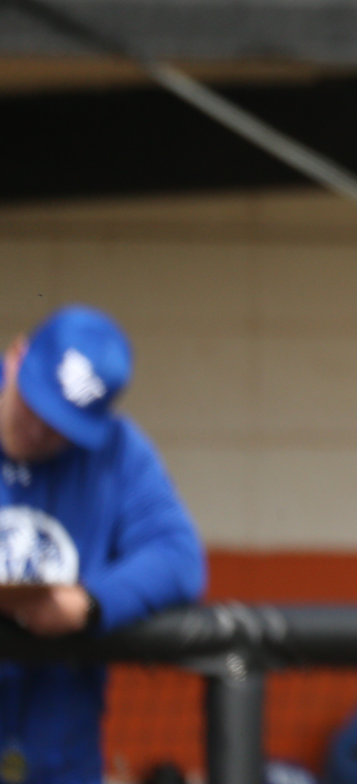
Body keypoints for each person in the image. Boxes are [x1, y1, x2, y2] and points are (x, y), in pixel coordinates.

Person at [0, 305, 206, 784]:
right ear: (16, 356)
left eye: (60, 425)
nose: (38, 431)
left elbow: (177, 556)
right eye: (33, 405)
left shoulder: (116, 452)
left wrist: (89, 604)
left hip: (55, 746)